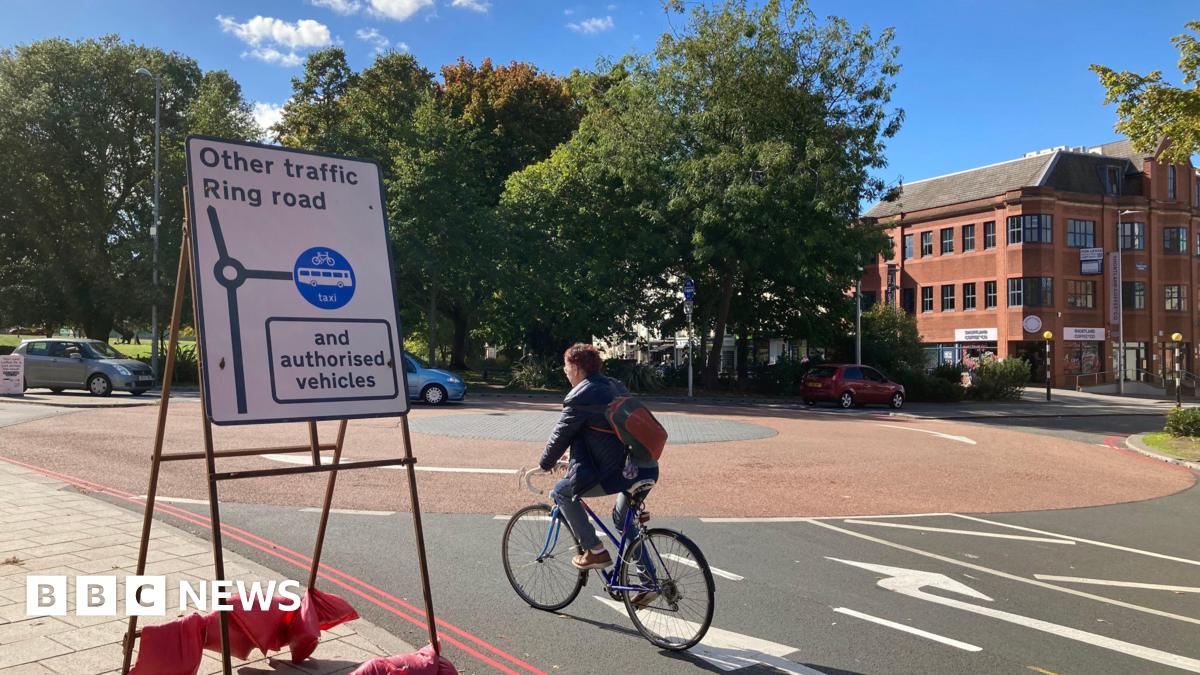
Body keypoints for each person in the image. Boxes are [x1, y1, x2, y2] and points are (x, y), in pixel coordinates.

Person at [538, 343, 659, 572]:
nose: (564, 372)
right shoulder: (616, 386)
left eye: (565, 367)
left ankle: (595, 550)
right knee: (623, 520)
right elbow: (605, 432)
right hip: (647, 466)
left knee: (562, 491)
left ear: (575, 367)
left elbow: (560, 436)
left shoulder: (581, 395)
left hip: (618, 472)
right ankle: (649, 582)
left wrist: (545, 463)